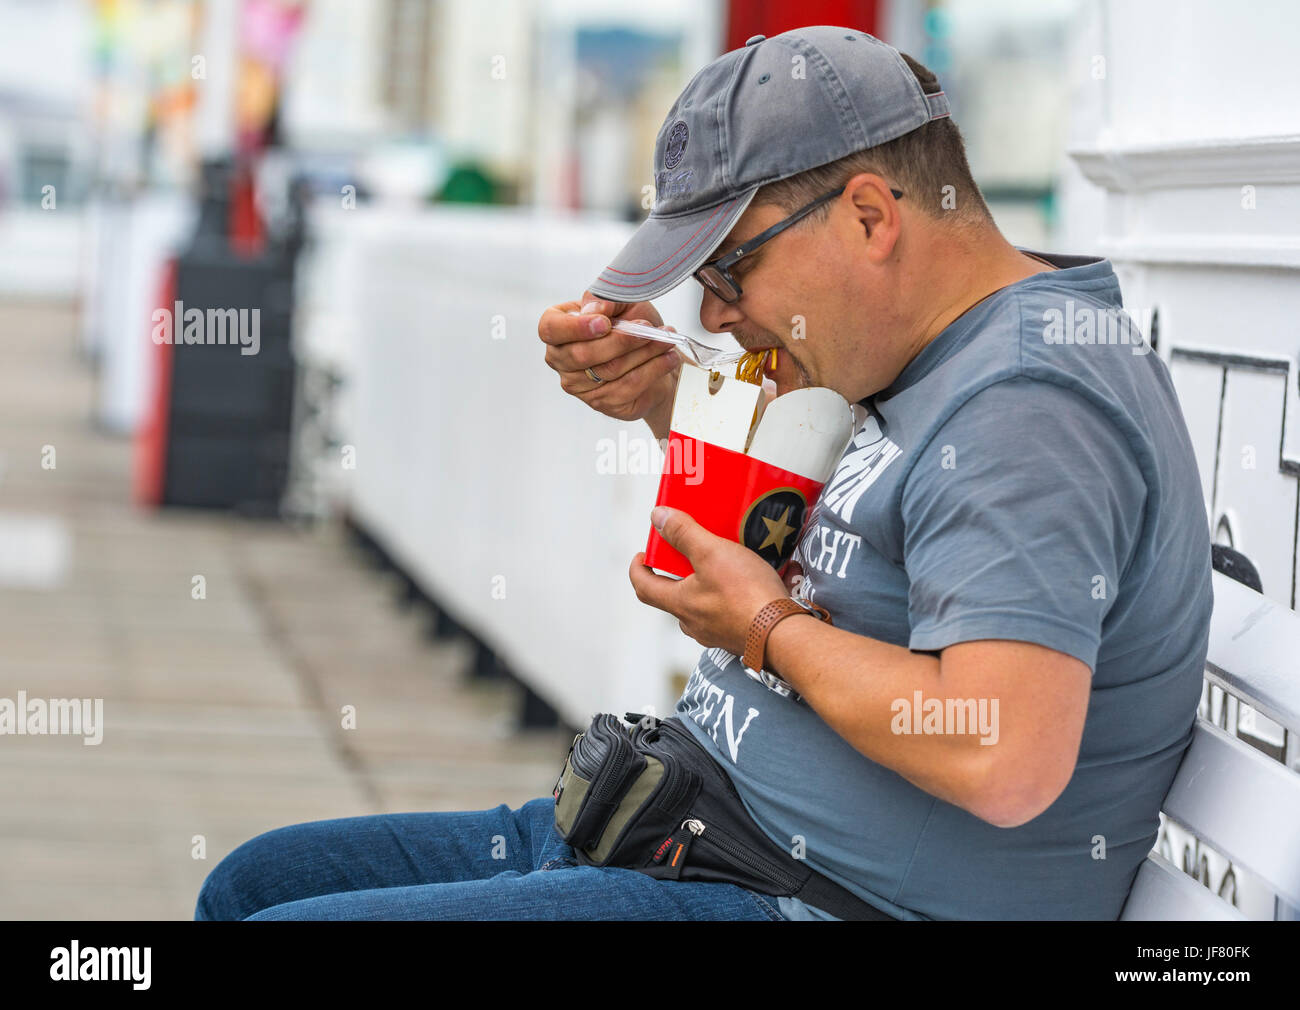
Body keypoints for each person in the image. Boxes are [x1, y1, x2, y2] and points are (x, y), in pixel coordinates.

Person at [196, 26, 1211, 921]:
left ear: (867, 217)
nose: (715, 315)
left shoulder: (1026, 402)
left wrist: (768, 632)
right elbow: (866, 540)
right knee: (251, 886)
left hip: (794, 895)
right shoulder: (924, 348)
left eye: (728, 270)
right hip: (680, 826)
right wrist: (662, 401)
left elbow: (1000, 749)